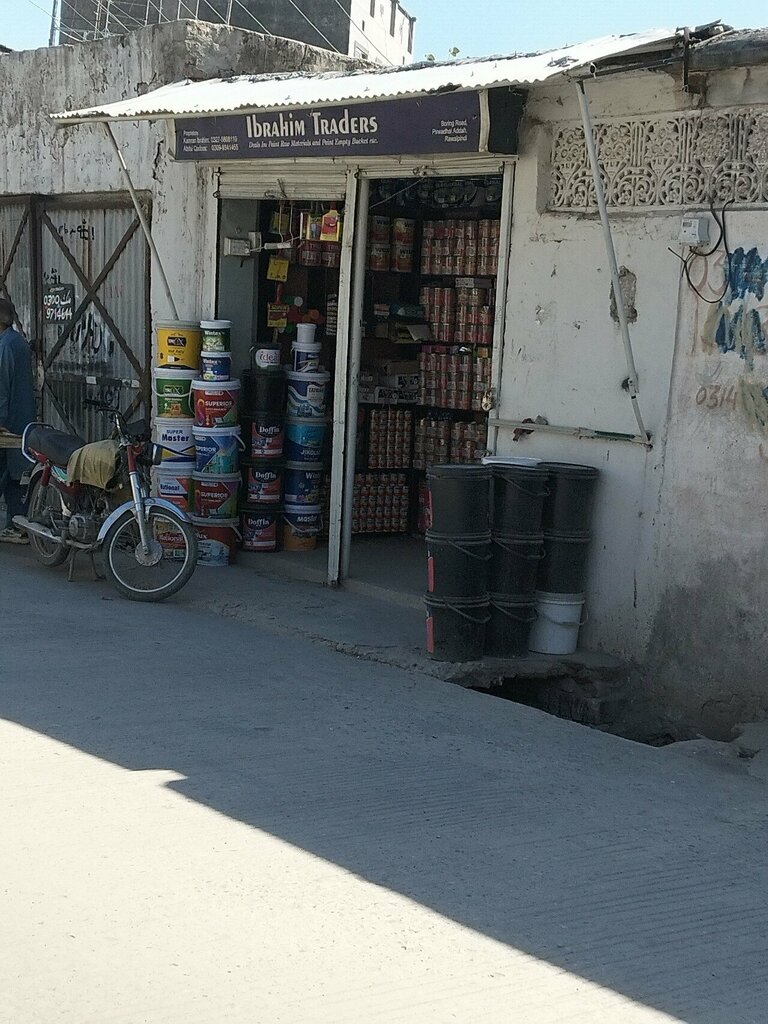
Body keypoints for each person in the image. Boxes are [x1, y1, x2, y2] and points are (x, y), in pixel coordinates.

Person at [0, 298, 35, 543]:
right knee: (15, 475)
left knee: (9, 473)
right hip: (21, 419)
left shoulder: (5, 346)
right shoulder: (17, 342)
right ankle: (17, 523)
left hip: (8, 422)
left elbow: (2, 389)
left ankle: (18, 524)